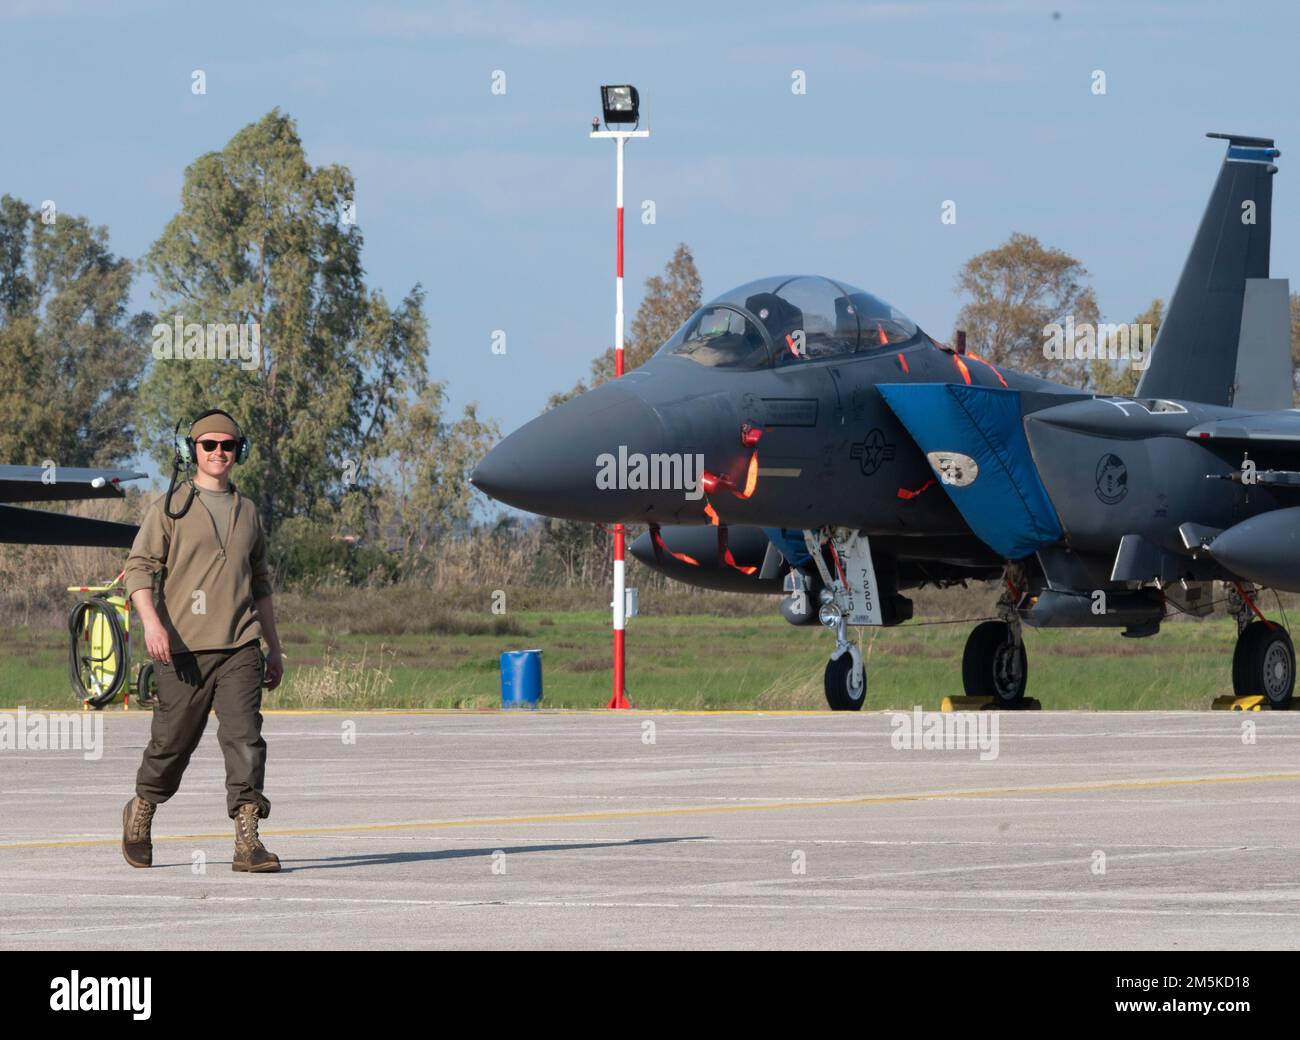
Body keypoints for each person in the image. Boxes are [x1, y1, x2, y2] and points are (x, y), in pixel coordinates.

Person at [120, 409, 285, 873]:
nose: (218, 453)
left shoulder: (248, 511)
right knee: (172, 744)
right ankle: (141, 811)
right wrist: (152, 624)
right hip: (181, 649)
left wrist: (272, 646)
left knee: (245, 740)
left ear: (239, 452)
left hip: (240, 646)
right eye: (208, 445)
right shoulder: (170, 506)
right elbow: (139, 569)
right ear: (191, 450)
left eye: (227, 446)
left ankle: (247, 841)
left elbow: (262, 586)